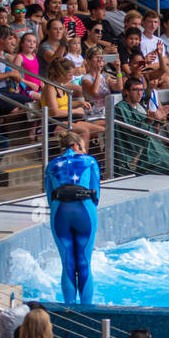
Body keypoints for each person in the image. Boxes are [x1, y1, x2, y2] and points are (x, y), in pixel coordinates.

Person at [43, 130, 101, 304]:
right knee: (84, 263)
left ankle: (69, 310)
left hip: (60, 213)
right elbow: (96, 194)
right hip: (84, 211)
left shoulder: (52, 165)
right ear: (76, 145)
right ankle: (87, 312)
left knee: (68, 263)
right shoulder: (89, 161)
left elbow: (49, 196)